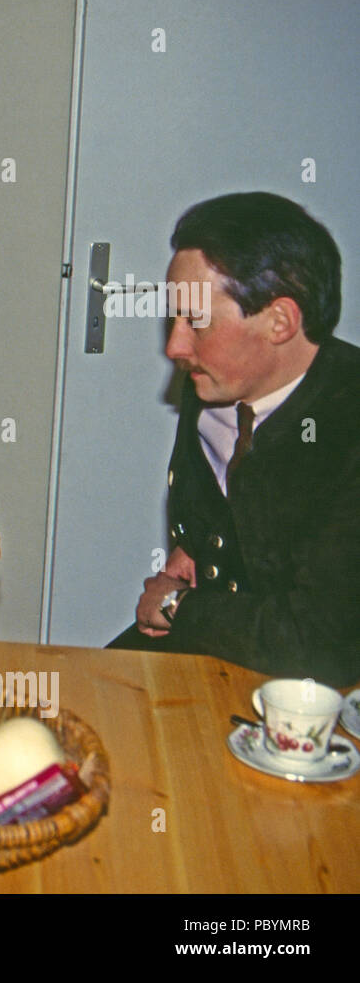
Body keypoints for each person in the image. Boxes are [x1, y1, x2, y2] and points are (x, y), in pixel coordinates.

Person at [111, 192, 360, 687]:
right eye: (174, 317)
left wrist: (177, 604)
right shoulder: (215, 377)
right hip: (220, 645)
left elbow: (321, 647)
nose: (175, 347)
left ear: (280, 322)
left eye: (196, 322)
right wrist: (197, 545)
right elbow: (221, 491)